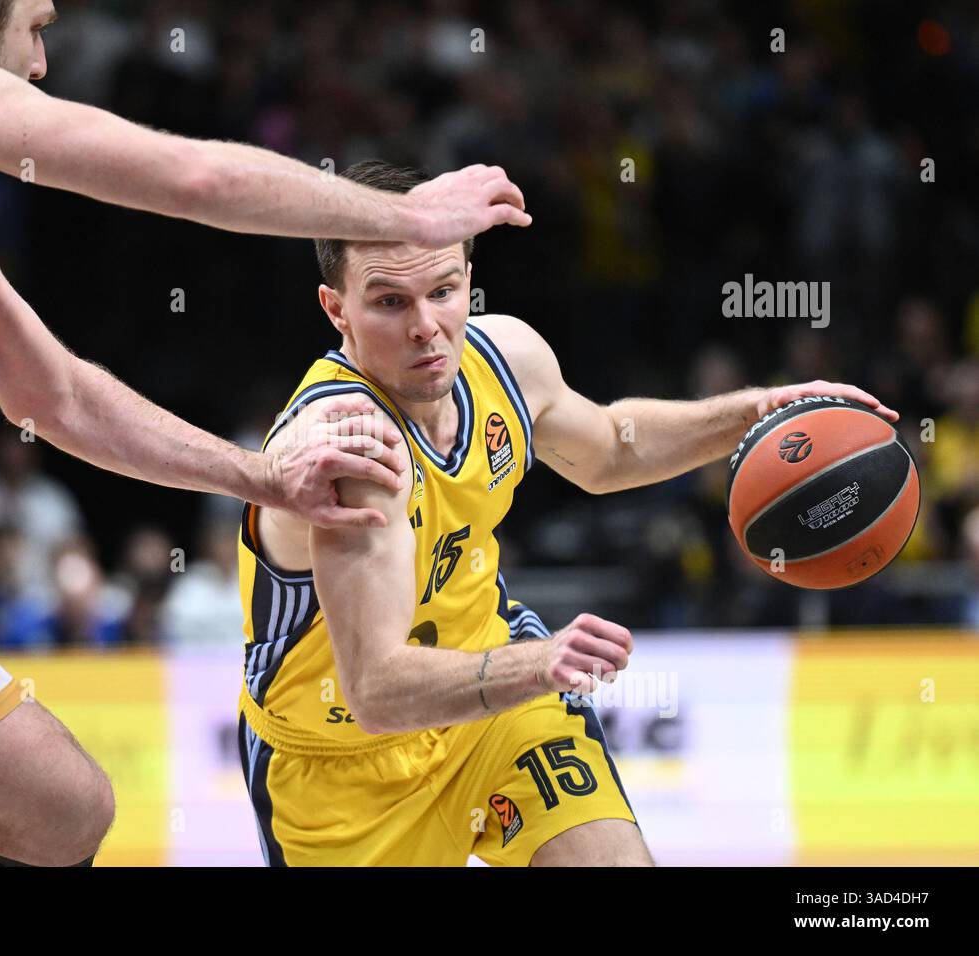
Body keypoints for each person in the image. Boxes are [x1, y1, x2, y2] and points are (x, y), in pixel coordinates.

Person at [0, 0, 529, 867]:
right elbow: (190, 179)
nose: (44, 65)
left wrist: (262, 479)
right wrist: (412, 222)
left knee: (61, 812)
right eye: (38, 29)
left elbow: (60, 399)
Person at [237, 160, 897, 866]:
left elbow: (611, 448)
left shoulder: (505, 359)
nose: (428, 326)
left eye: (444, 290)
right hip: (341, 767)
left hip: (492, 707)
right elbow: (375, 691)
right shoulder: (345, 452)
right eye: (390, 303)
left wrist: (754, 413)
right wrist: (540, 661)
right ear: (336, 309)